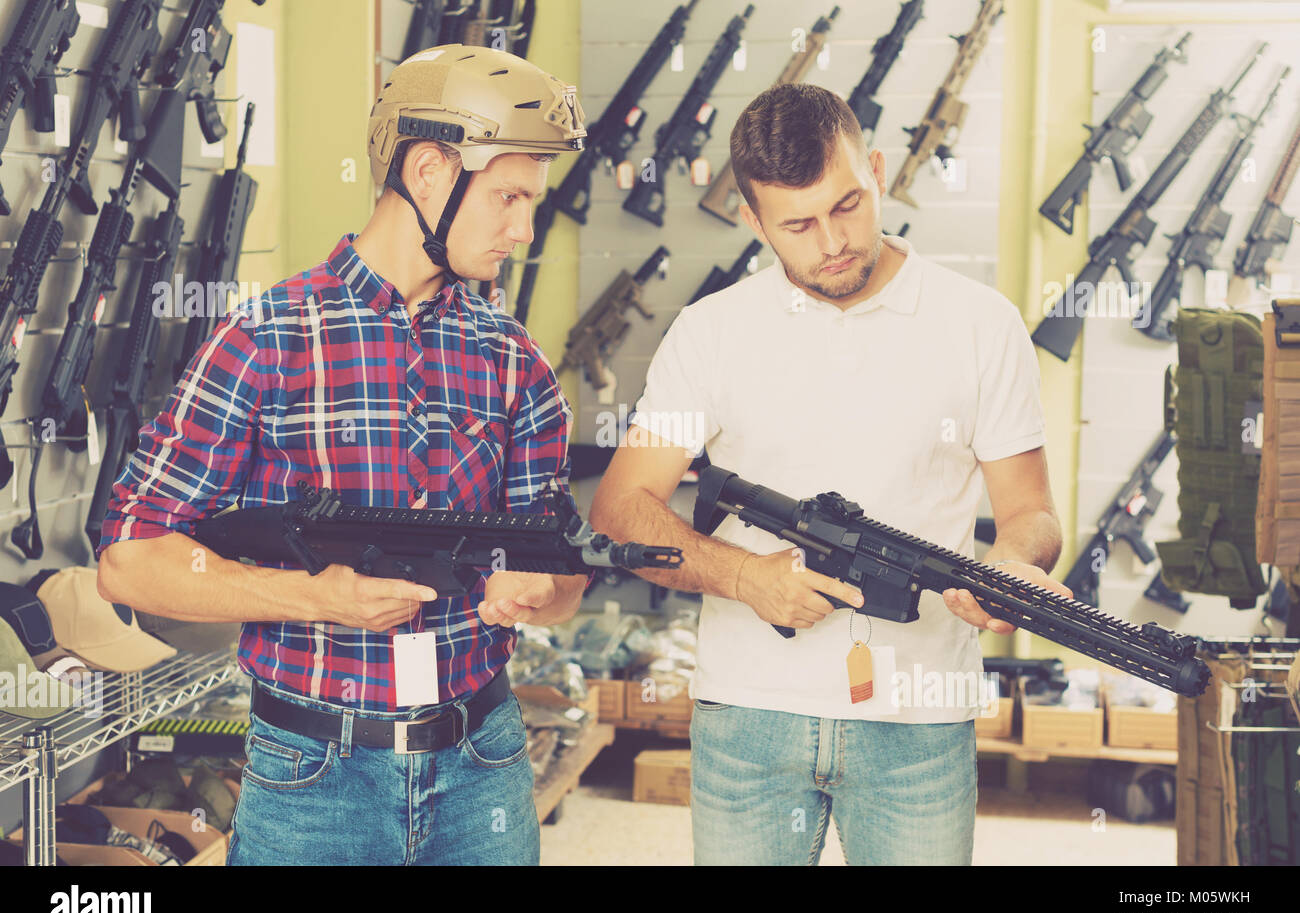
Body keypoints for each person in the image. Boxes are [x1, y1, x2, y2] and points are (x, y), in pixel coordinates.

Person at [95, 45, 588, 866]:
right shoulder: (264, 340)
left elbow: (564, 572)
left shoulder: (515, 360)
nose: (523, 229)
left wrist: (546, 589)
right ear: (430, 172)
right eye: (509, 196)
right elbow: (129, 561)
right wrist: (313, 597)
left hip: (484, 762)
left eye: (530, 203)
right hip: (314, 776)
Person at [589, 83, 1072, 866]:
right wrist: (747, 577)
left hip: (918, 719)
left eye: (847, 204)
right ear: (752, 221)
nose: (832, 242)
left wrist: (1013, 567)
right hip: (748, 719)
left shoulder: (981, 325)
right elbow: (622, 506)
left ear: (876, 169)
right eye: (799, 224)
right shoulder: (713, 333)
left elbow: (1033, 513)